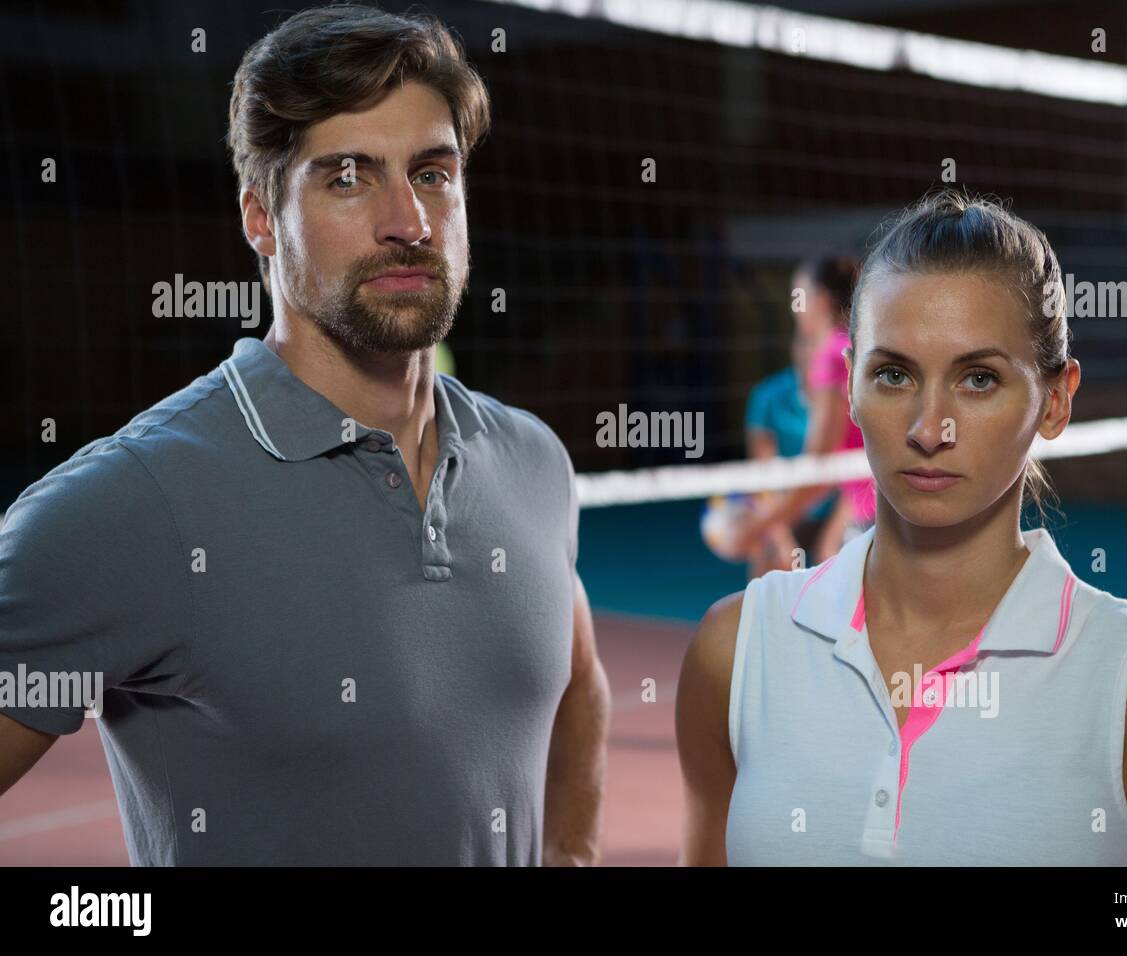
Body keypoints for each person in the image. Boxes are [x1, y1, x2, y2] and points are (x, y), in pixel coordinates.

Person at [0, 4, 609, 866]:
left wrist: (572, 853)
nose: (410, 220)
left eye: (433, 173)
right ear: (260, 218)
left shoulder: (533, 463)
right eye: (349, 178)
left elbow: (575, 678)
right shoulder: (128, 506)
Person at [676, 188, 1127, 865]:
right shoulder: (734, 652)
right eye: (893, 374)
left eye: (978, 380)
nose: (928, 428)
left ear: (1056, 401)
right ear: (850, 383)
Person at [731, 256, 877, 567]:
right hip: (884, 500)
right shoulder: (860, 345)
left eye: (798, 296)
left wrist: (758, 526)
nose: (794, 307)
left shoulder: (831, 357)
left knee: (834, 578)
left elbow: (818, 465)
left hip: (876, 510)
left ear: (821, 301)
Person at [742, 330, 838, 577]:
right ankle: (761, 613)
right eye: (804, 344)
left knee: (841, 554)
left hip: (835, 507)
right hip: (785, 508)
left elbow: (858, 480)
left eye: (817, 346)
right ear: (793, 349)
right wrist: (780, 533)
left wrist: (833, 534)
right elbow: (763, 478)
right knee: (771, 558)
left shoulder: (846, 398)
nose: (811, 353)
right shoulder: (767, 396)